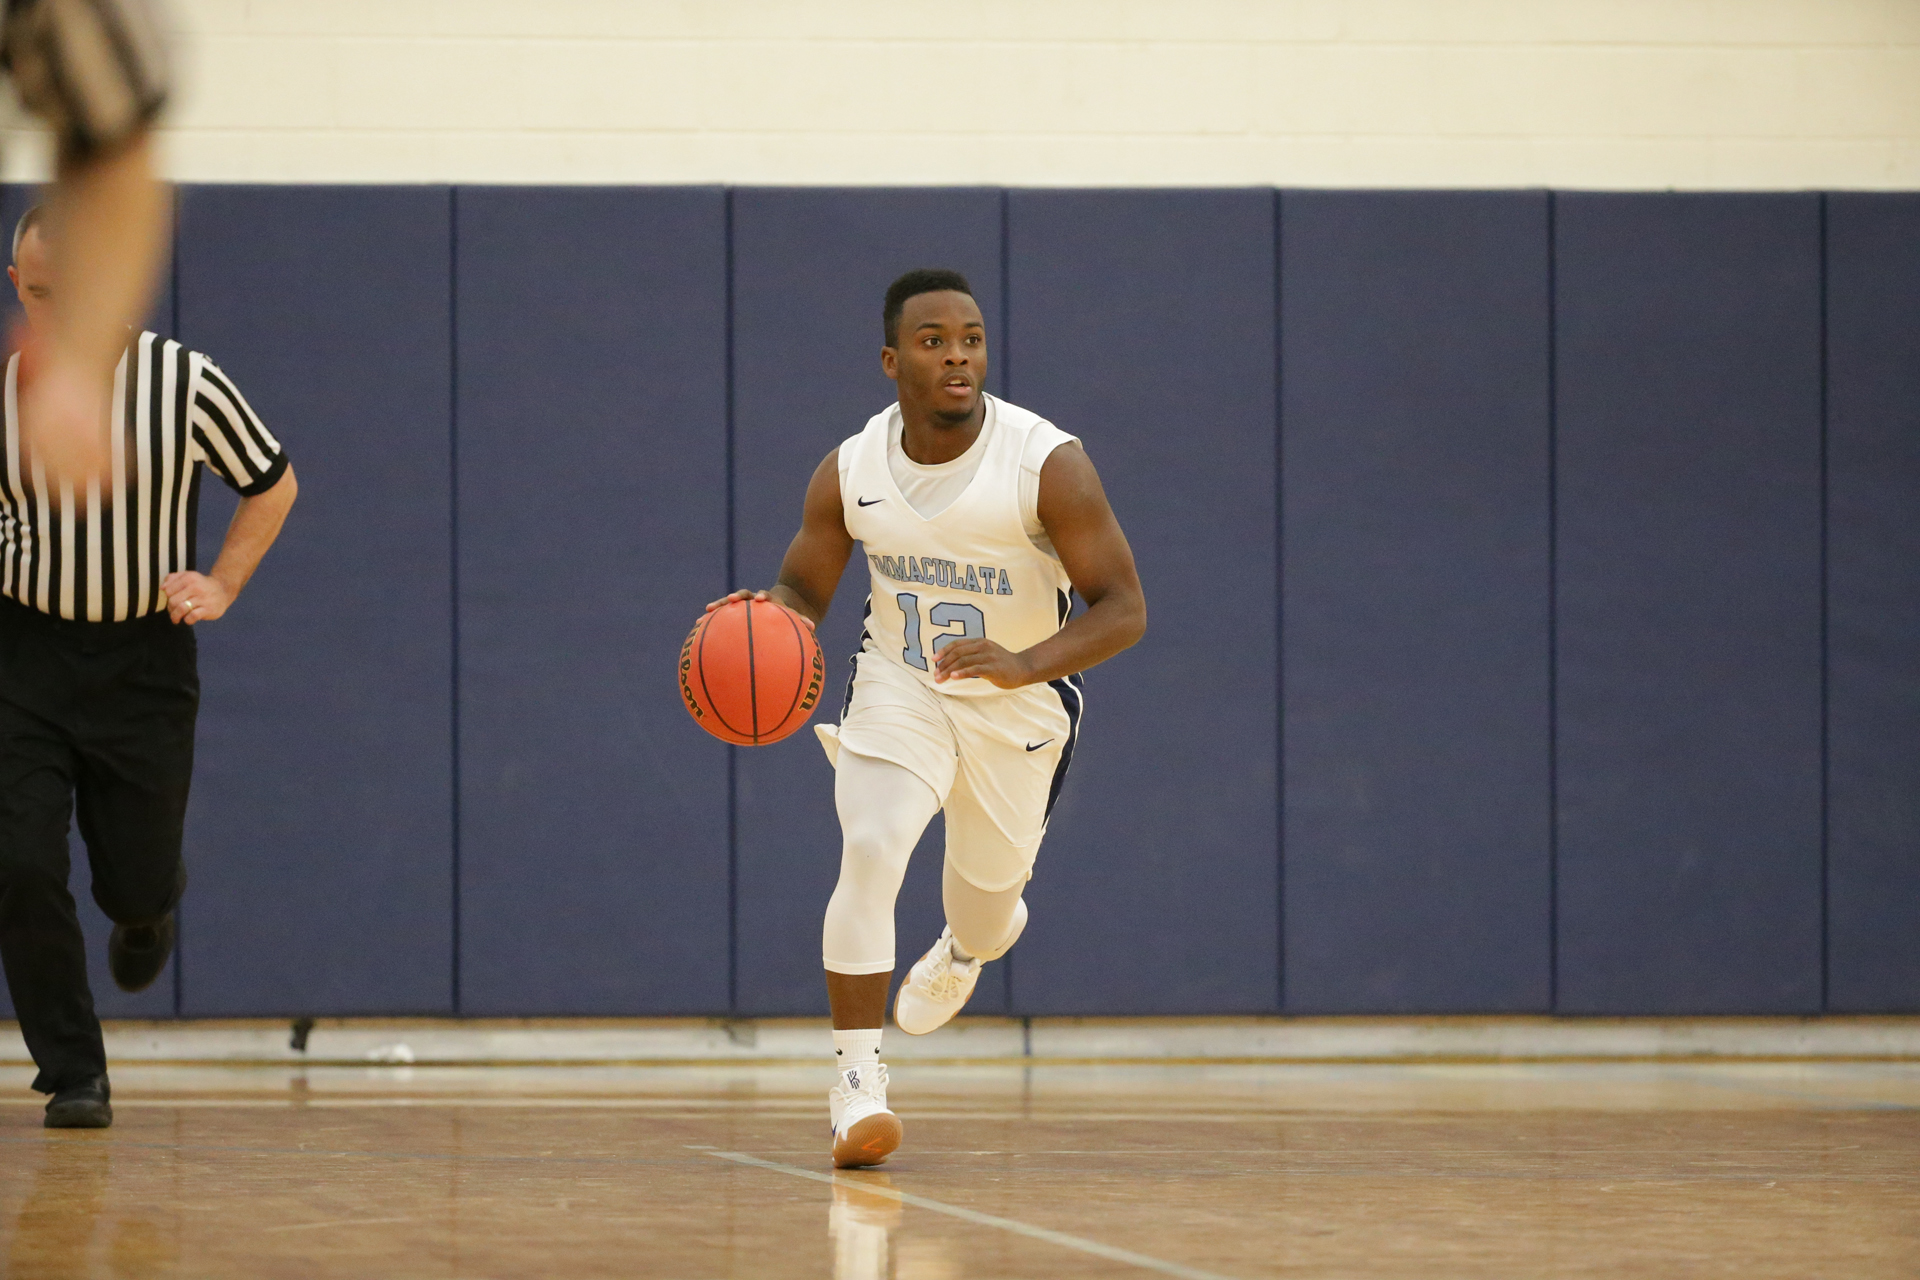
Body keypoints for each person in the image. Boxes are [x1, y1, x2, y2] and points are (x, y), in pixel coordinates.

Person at [711, 268, 1146, 1167]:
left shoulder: (1045, 464)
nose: (958, 355)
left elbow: (1124, 607)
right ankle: (856, 1085)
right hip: (899, 687)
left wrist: (1023, 663)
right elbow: (805, 586)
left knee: (985, 910)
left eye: (972, 338)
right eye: (934, 339)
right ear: (890, 360)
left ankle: (971, 943)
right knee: (871, 848)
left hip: (1015, 707)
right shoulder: (853, 469)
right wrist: (772, 618)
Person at [0, 207, 298, 1129]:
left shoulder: (185, 382)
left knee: (129, 877)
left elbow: (272, 481)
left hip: (143, 663)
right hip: (24, 655)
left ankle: (147, 906)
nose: (43, 309)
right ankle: (74, 1072)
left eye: (63, 292)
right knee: (17, 861)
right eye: (28, 290)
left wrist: (223, 583)